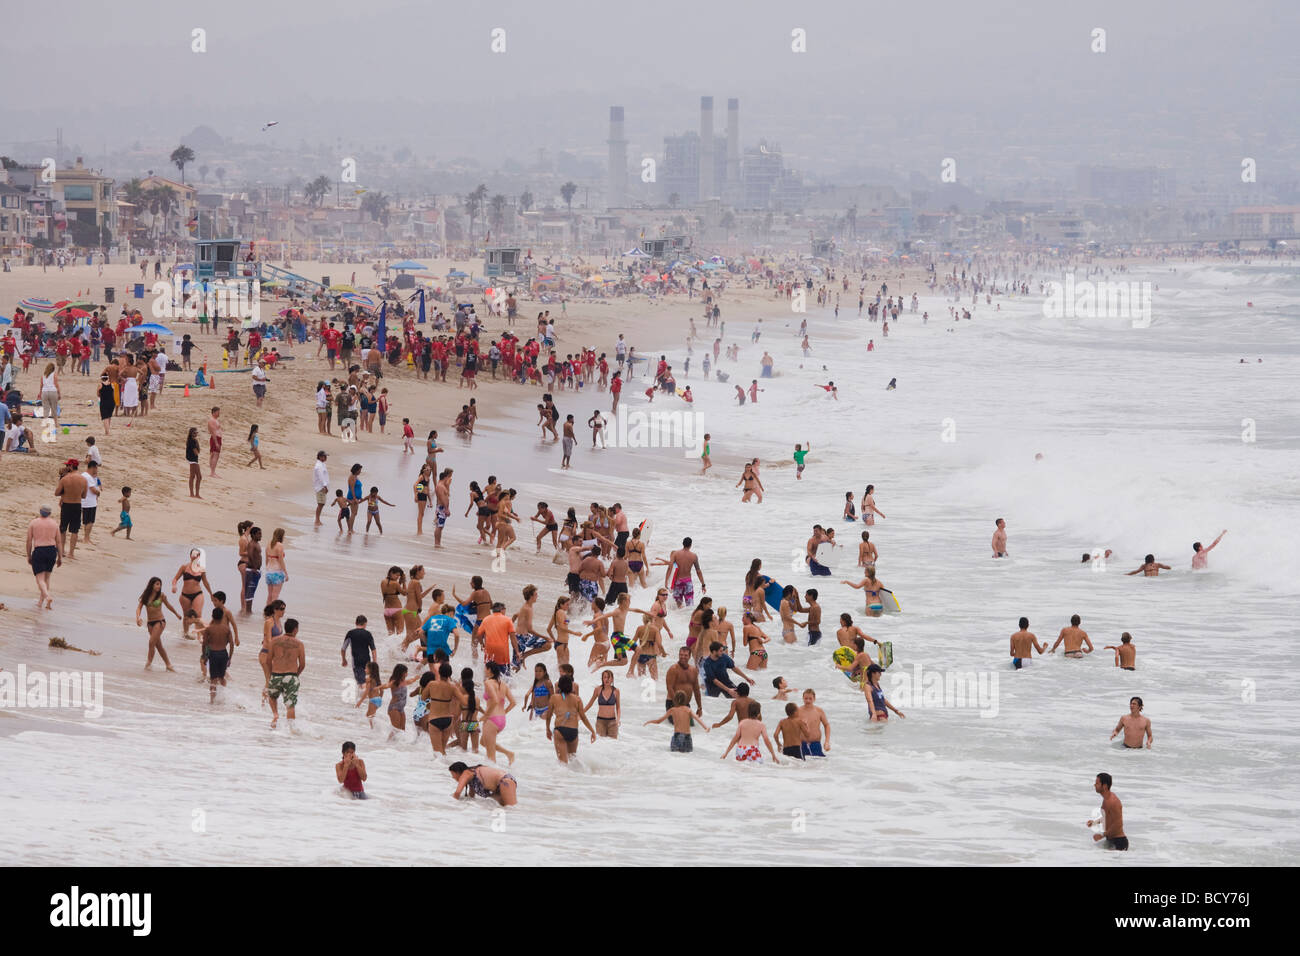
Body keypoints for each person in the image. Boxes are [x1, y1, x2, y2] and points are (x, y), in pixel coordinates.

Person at [545, 674, 595, 763]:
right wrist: (592, 731)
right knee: (572, 761)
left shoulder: (554, 698)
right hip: (573, 731)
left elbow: (548, 716)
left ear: (559, 686)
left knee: (563, 763)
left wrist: (548, 729)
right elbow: (583, 717)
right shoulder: (577, 699)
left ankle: (563, 777)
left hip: (560, 730)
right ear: (571, 686)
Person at [266, 618, 306, 730]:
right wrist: (295, 675)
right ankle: (290, 729)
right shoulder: (299, 644)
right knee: (290, 705)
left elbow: (268, 660)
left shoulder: (274, 641)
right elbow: (302, 664)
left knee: (272, 697)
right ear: (295, 630)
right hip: (291, 676)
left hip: (276, 674)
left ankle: (275, 715)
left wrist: (271, 674)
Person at [136, 576, 181, 671]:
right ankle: (169, 665)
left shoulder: (162, 596)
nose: (159, 586)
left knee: (151, 642)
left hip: (160, 622)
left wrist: (176, 614)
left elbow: (169, 606)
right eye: (157, 584)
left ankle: (148, 664)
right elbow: (139, 608)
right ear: (152, 585)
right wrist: (138, 618)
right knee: (158, 645)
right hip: (150, 624)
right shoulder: (146, 596)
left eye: (160, 584)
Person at [645, 691, 709, 752]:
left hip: (677, 736)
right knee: (687, 756)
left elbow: (658, 721)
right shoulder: (688, 710)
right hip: (687, 737)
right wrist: (706, 728)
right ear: (685, 700)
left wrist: (649, 722)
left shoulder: (672, 710)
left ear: (675, 700)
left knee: (675, 756)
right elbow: (697, 718)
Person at [26, 506, 61, 608]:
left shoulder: (34, 523)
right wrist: (60, 557)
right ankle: (40, 602)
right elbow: (59, 541)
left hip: (39, 550)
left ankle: (47, 596)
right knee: (47, 578)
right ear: (50, 513)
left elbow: (29, 540)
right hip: (51, 550)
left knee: (40, 579)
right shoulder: (54, 524)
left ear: (40, 512)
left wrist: (28, 555)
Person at [201, 606, 235, 702]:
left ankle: (212, 700)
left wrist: (204, 656)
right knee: (222, 677)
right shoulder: (227, 629)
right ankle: (222, 697)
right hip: (223, 654)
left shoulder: (209, 629)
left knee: (213, 679)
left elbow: (204, 644)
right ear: (222, 617)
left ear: (212, 616)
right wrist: (230, 658)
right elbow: (232, 645)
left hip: (213, 654)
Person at [1087, 773, 1128, 850]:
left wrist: (1102, 835)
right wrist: (1094, 823)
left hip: (1119, 843)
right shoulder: (1106, 800)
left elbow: (1118, 824)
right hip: (1111, 841)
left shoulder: (1112, 801)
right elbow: (1107, 818)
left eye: (1097, 783)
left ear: (1104, 786)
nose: (1094, 785)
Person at [449, 761, 517, 806]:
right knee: (507, 810)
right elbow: (471, 797)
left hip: (505, 781)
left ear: (457, 772)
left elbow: (457, 793)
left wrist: (450, 806)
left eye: (452, 774)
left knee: (512, 810)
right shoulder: (471, 777)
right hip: (501, 785)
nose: (452, 777)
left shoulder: (466, 774)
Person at [664, 537, 706, 608]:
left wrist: (666, 581)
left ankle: (679, 617)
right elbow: (698, 571)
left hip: (678, 582)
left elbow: (670, 568)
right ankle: (687, 617)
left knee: (678, 604)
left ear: (683, 544)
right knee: (689, 605)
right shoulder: (694, 556)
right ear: (690, 545)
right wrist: (703, 584)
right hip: (688, 582)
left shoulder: (675, 554)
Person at [341, 615, 376, 685]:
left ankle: (362, 695)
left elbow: (343, 649)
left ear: (355, 623)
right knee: (368, 682)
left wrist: (344, 660)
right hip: (367, 662)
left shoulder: (350, 633)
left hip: (356, 662)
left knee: (361, 683)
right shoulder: (368, 634)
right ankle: (367, 695)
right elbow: (373, 650)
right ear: (365, 623)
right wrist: (374, 663)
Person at [796, 689, 831, 756]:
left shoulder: (819, 711)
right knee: (800, 765)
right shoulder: (798, 711)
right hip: (802, 744)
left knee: (820, 764)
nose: (808, 700)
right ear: (803, 698)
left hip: (816, 744)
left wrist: (827, 742)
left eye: (810, 698)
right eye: (806, 698)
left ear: (814, 699)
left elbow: (826, 725)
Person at [312, 451, 329, 526]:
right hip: (320, 487)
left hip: (322, 486)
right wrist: (325, 486)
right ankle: (317, 520)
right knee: (320, 503)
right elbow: (321, 477)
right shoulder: (319, 466)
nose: (326, 458)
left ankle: (318, 519)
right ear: (320, 457)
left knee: (322, 503)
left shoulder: (322, 464)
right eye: (324, 456)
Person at [207, 406, 223, 477]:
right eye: (218, 412)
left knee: (214, 455)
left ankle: (212, 472)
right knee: (215, 455)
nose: (219, 413)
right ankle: (212, 472)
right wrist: (216, 442)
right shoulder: (211, 420)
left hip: (217, 438)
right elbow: (212, 431)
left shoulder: (215, 420)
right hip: (215, 438)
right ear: (214, 412)